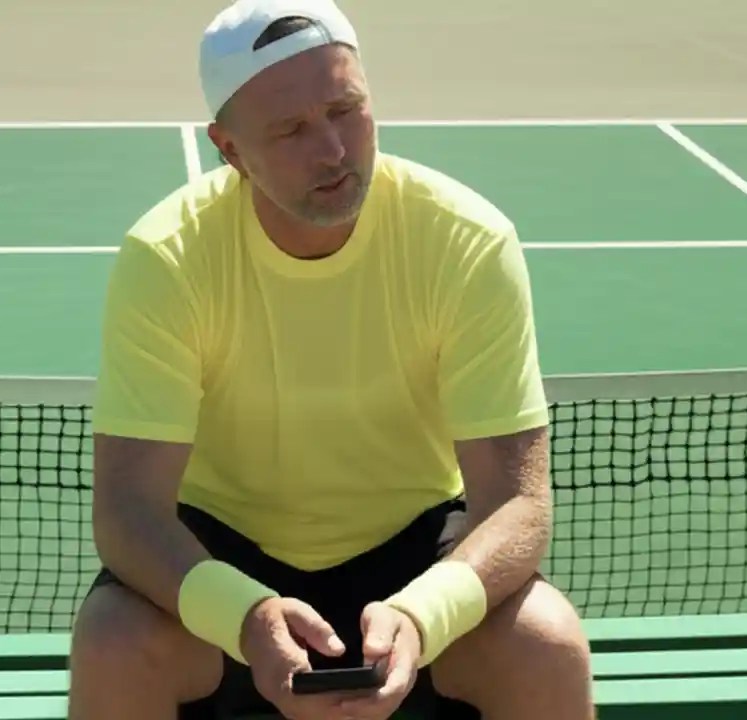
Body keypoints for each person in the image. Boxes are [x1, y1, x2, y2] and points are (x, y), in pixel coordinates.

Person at [68, 1, 594, 718]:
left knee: (546, 642)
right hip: (224, 555)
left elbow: (518, 505)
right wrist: (247, 619)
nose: (334, 150)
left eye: (346, 109)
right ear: (228, 148)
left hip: (416, 553)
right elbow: (129, 510)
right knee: (114, 640)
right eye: (291, 130)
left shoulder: (468, 240)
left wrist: (419, 618)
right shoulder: (167, 257)